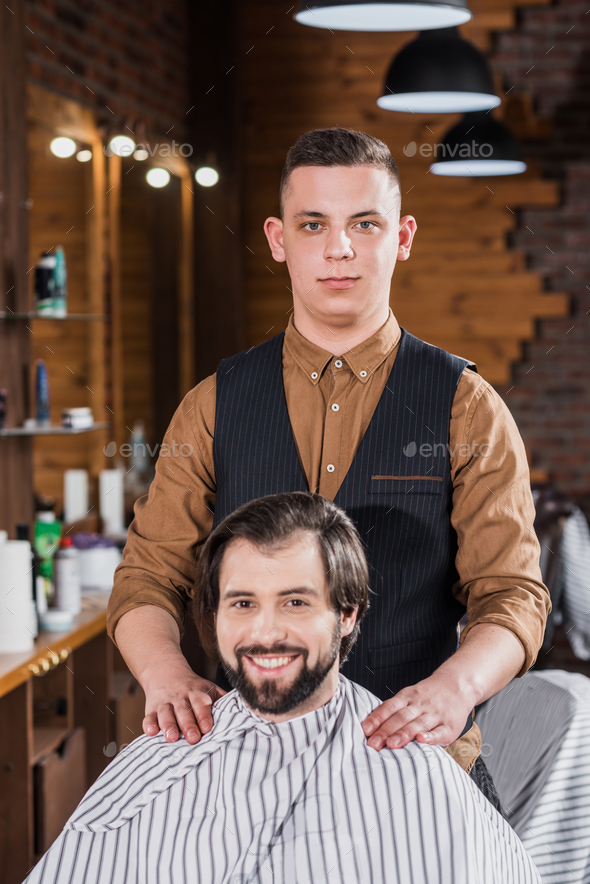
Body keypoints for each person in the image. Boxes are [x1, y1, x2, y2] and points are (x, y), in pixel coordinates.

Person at [108, 127, 550, 800]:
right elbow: (147, 577)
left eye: (364, 224)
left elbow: (513, 595)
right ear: (278, 239)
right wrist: (165, 674)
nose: (338, 248)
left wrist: (454, 688)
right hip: (250, 769)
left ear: (402, 237)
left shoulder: (466, 407)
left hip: (421, 769)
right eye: (313, 224)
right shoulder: (214, 405)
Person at [24, 493, 541, 884]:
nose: (265, 632)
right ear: (215, 616)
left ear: (347, 613)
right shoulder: (155, 767)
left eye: (295, 602)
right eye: (243, 603)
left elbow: (516, 593)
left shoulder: (421, 782)